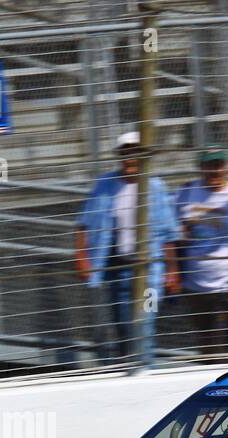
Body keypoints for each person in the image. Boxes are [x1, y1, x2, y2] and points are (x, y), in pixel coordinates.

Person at [75, 131, 180, 363]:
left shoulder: (156, 187)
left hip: (151, 272)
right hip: (119, 270)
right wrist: (82, 256)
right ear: (120, 156)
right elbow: (84, 222)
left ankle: (145, 372)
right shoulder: (105, 184)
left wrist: (172, 270)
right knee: (124, 326)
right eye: (126, 153)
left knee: (146, 324)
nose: (130, 159)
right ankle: (129, 372)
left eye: (135, 154)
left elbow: (168, 234)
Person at [172, 146, 228, 357]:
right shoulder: (185, 193)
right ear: (201, 168)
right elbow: (172, 235)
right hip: (195, 281)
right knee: (204, 335)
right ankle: (209, 378)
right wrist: (174, 268)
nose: (214, 171)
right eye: (209, 166)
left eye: (218, 165)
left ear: (226, 167)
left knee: (227, 338)